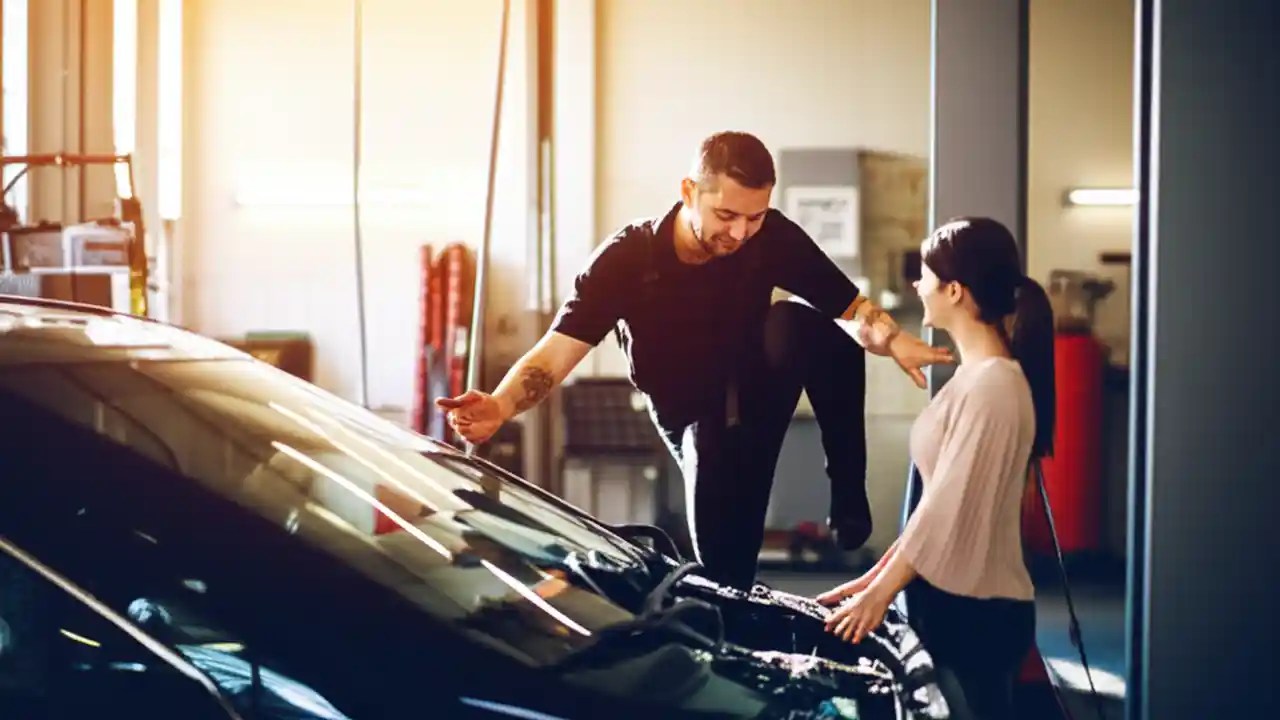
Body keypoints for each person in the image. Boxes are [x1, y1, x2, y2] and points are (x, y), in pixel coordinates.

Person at [437, 131, 951, 590]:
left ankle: (848, 488)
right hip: (694, 419)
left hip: (755, 390)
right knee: (728, 572)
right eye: (726, 216)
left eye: (754, 217)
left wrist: (891, 338)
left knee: (804, 324)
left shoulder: (771, 237)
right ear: (689, 192)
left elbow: (851, 307)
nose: (740, 233)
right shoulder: (627, 259)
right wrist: (501, 405)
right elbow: (558, 350)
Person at [815, 216, 1055, 720]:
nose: (917, 286)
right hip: (951, 603)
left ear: (955, 290)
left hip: (977, 615)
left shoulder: (993, 387)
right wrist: (871, 581)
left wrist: (878, 595)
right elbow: (933, 506)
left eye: (924, 276)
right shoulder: (975, 379)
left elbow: (944, 509)